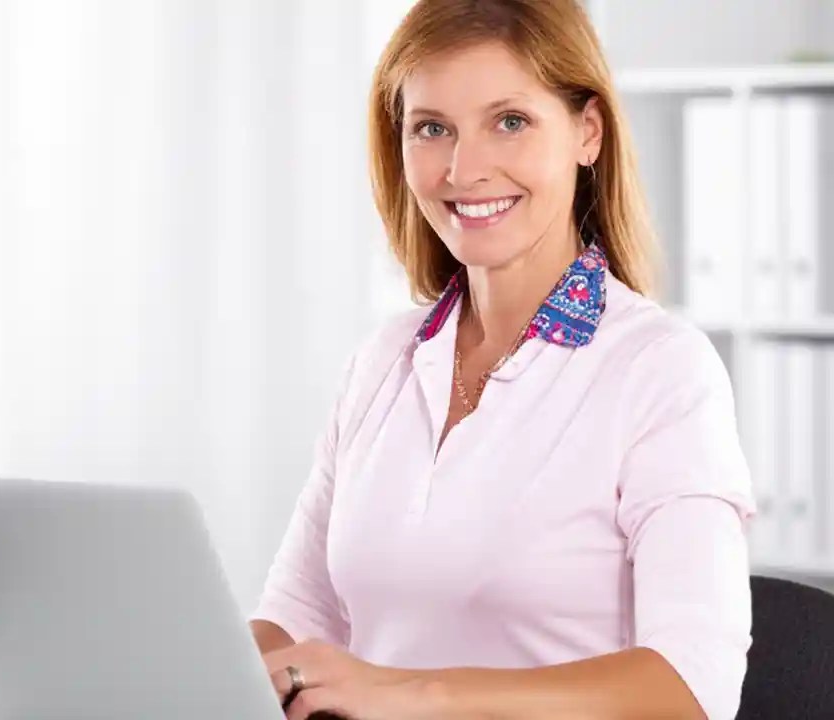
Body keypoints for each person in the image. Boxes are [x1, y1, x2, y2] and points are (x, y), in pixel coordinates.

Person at [249, 1, 755, 719]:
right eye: (432, 128)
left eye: (509, 121)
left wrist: (408, 693)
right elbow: (295, 620)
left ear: (587, 132)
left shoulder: (661, 370)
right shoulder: (384, 363)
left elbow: (690, 687)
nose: (464, 168)